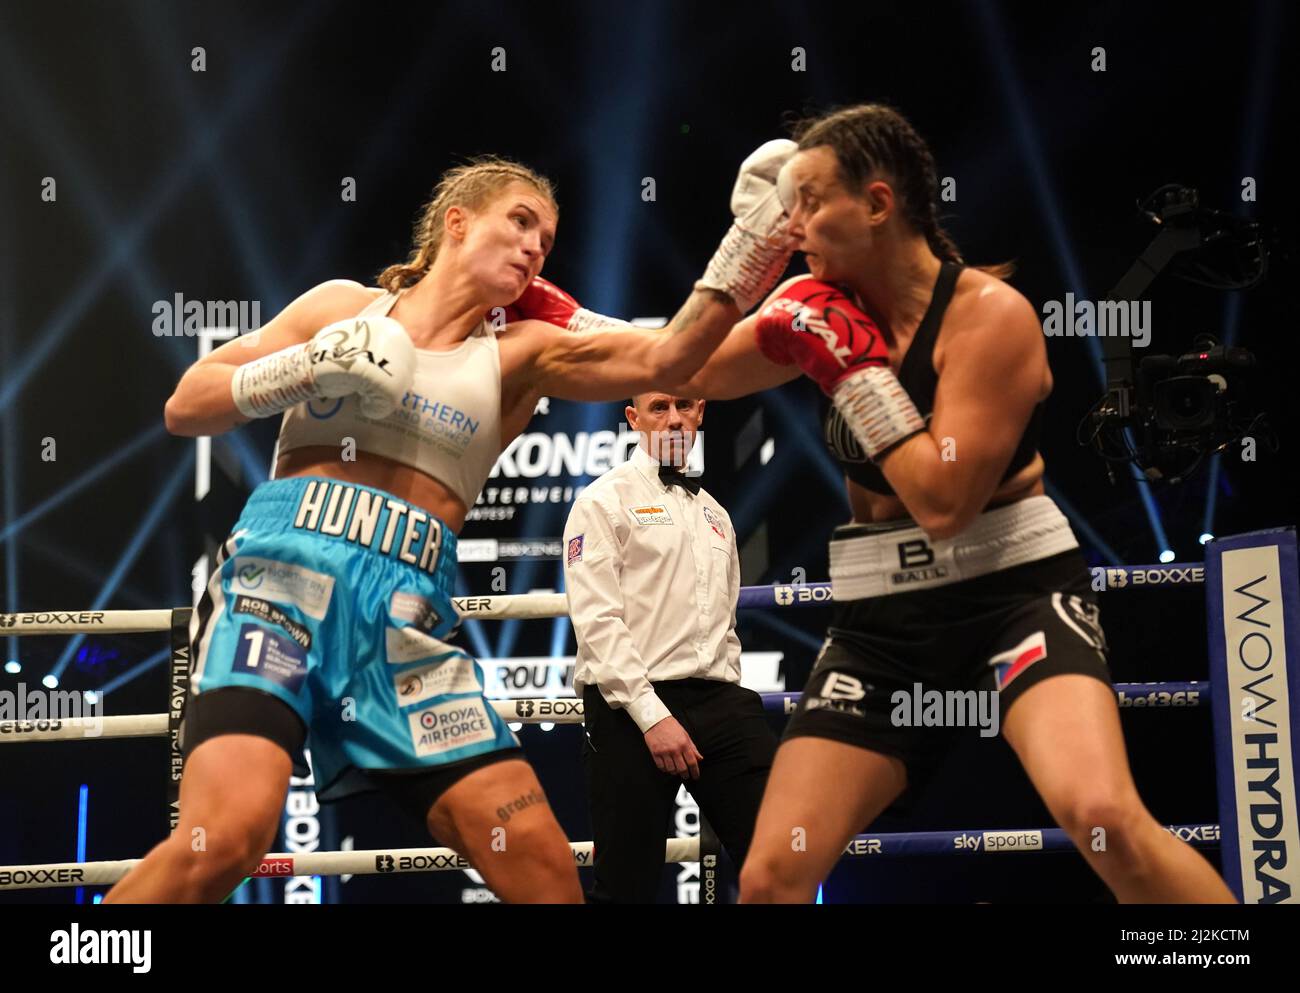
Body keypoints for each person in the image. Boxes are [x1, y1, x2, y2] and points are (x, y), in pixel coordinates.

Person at [105, 146, 796, 904]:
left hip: (405, 618)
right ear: (457, 224)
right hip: (280, 579)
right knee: (227, 837)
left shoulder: (522, 356)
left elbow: (681, 362)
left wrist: (755, 246)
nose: (536, 245)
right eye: (522, 221)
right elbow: (186, 404)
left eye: (548, 239)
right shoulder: (343, 308)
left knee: (541, 867)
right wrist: (303, 368)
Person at [664, 104, 1236, 903]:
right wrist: (743, 259)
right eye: (785, 213)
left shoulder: (989, 318)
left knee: (1104, 816)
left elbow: (944, 500)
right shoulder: (815, 304)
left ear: (876, 202)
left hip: (1013, 594)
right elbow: (680, 371)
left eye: (809, 202)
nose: (795, 225)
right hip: (882, 626)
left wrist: (855, 374)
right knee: (769, 877)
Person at [562, 391, 778, 903]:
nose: (674, 418)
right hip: (628, 708)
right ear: (634, 418)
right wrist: (651, 714)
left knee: (780, 856)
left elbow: (723, 622)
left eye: (685, 405)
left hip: (720, 701)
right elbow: (596, 619)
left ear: (701, 412)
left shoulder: (715, 513)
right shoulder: (601, 500)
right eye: (659, 407)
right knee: (625, 888)